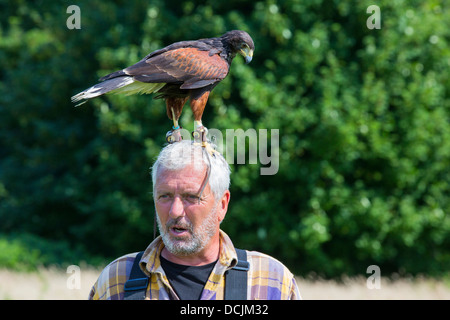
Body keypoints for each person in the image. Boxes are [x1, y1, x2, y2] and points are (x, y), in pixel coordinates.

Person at [88, 140, 301, 300]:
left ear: (222, 205)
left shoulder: (271, 281)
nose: (175, 211)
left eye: (192, 197)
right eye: (165, 196)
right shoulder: (116, 280)